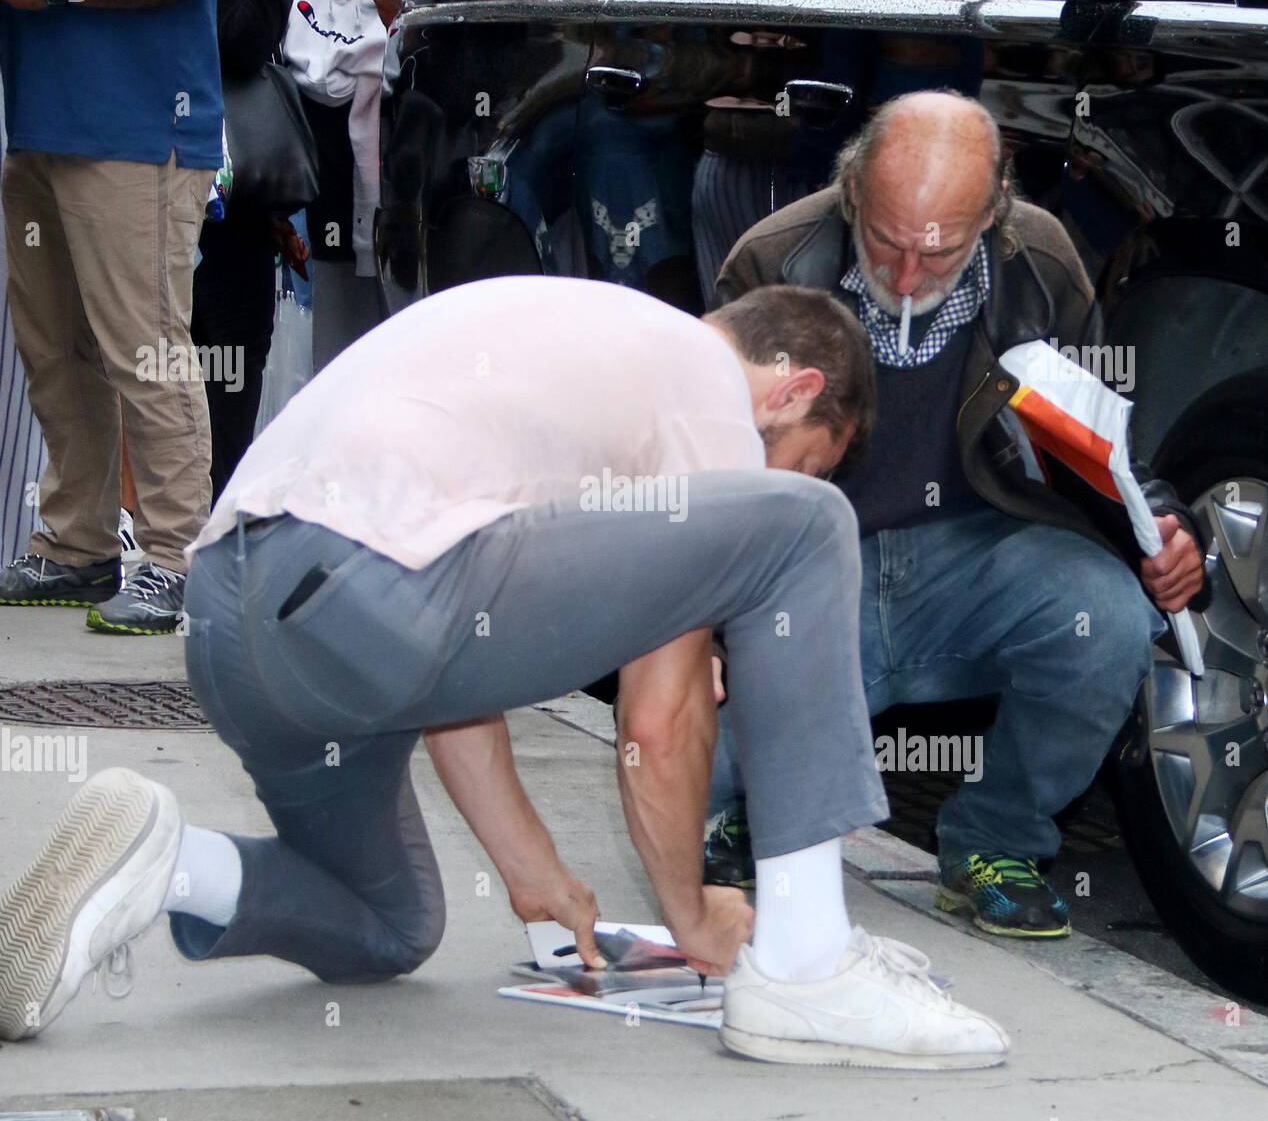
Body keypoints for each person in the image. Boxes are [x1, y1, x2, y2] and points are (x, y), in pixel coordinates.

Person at [0, 276, 1012, 1071]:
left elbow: (465, 643)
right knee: (805, 532)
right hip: (366, 589)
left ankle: (164, 861)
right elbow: (656, 729)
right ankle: (804, 958)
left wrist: (531, 870)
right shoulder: (701, 388)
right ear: (790, 388)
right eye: (794, 455)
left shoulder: (570, 339)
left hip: (237, 622)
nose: (759, 488)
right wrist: (694, 914)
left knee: (390, 924)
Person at [704, 91, 1205, 939]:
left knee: (1110, 618)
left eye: (938, 255)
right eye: (887, 243)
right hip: (820, 572)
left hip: (977, 557)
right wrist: (708, 632)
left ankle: (995, 842)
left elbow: (1098, 434)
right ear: (852, 191)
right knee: (704, 773)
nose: (906, 278)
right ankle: (753, 804)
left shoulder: (1041, 260)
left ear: (993, 214)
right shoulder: (776, 257)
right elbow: (711, 472)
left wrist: (1159, 523)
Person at [0, 0, 228, 634]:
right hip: (38, 124)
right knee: (55, 348)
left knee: (145, 343)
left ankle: (177, 557)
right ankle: (77, 545)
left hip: (137, 128)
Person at [191, 0, 297, 501]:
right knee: (215, 368)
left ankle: (193, 524)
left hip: (237, 204)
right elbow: (245, 45)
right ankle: (196, 531)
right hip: (208, 206)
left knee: (219, 371)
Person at [283, 0, 416, 370]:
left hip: (387, 208)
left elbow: (415, 90)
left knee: (390, 355)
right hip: (313, 200)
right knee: (329, 358)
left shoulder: (418, 4)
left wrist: (394, 21)